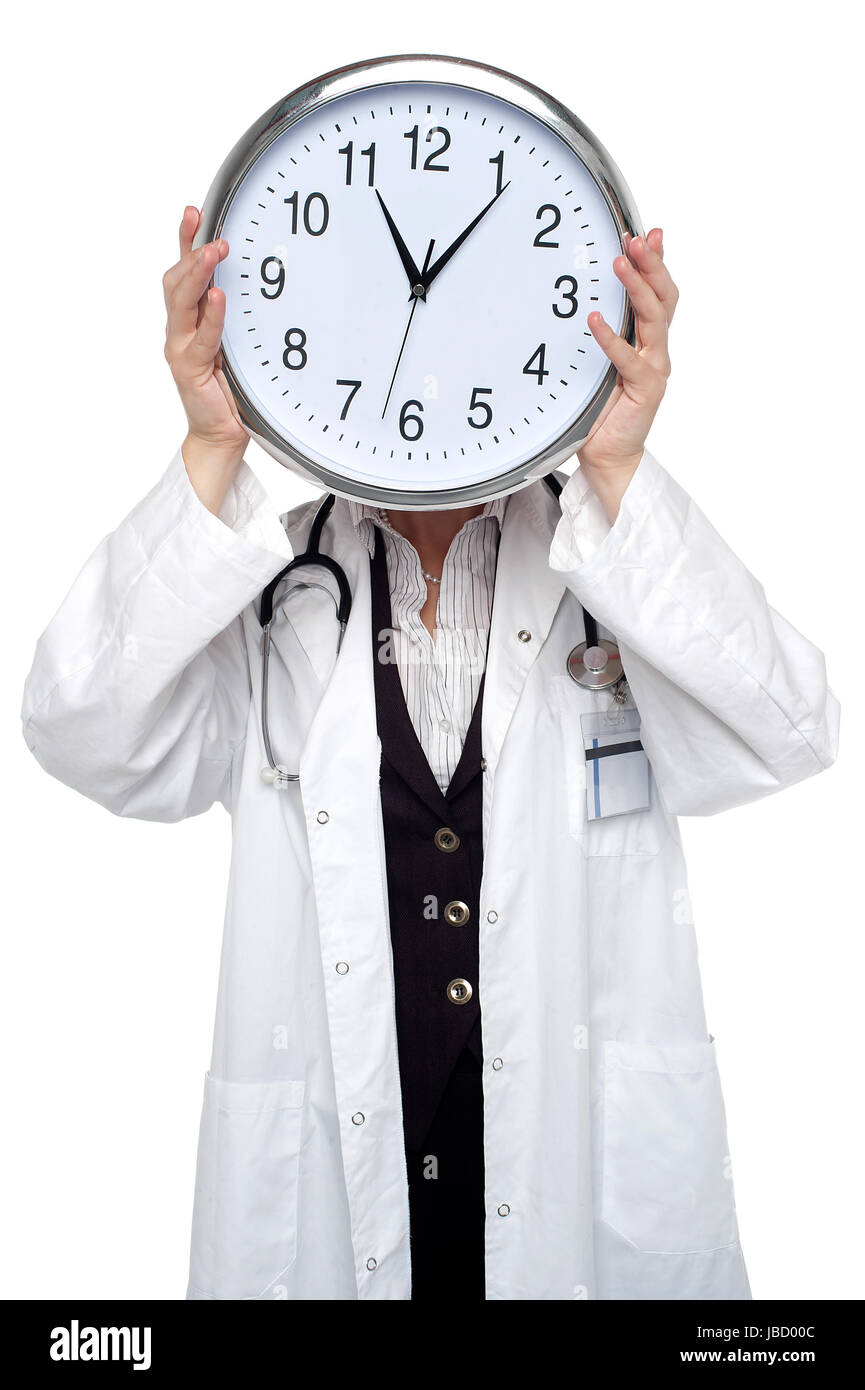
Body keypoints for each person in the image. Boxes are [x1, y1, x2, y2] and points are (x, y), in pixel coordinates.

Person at [21, 205, 839, 1302]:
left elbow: (788, 728)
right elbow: (84, 730)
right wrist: (213, 448)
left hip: (564, 1169)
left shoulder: (611, 564)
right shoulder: (268, 591)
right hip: (340, 1161)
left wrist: (619, 469)